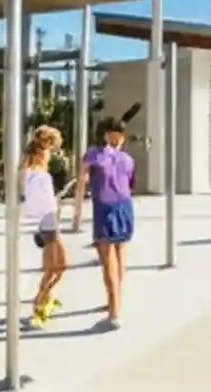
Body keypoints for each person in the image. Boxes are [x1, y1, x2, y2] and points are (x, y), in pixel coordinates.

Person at [71, 117, 136, 330]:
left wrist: (77, 215)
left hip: (105, 208)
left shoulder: (92, 156)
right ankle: (115, 302)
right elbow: (130, 184)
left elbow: (81, 184)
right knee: (120, 254)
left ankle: (114, 312)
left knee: (108, 260)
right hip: (125, 206)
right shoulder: (127, 159)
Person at [23, 131, 67, 329]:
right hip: (48, 226)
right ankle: (39, 305)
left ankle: (46, 298)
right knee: (55, 268)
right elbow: (40, 204)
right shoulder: (39, 176)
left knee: (57, 267)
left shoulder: (33, 174)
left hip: (48, 224)